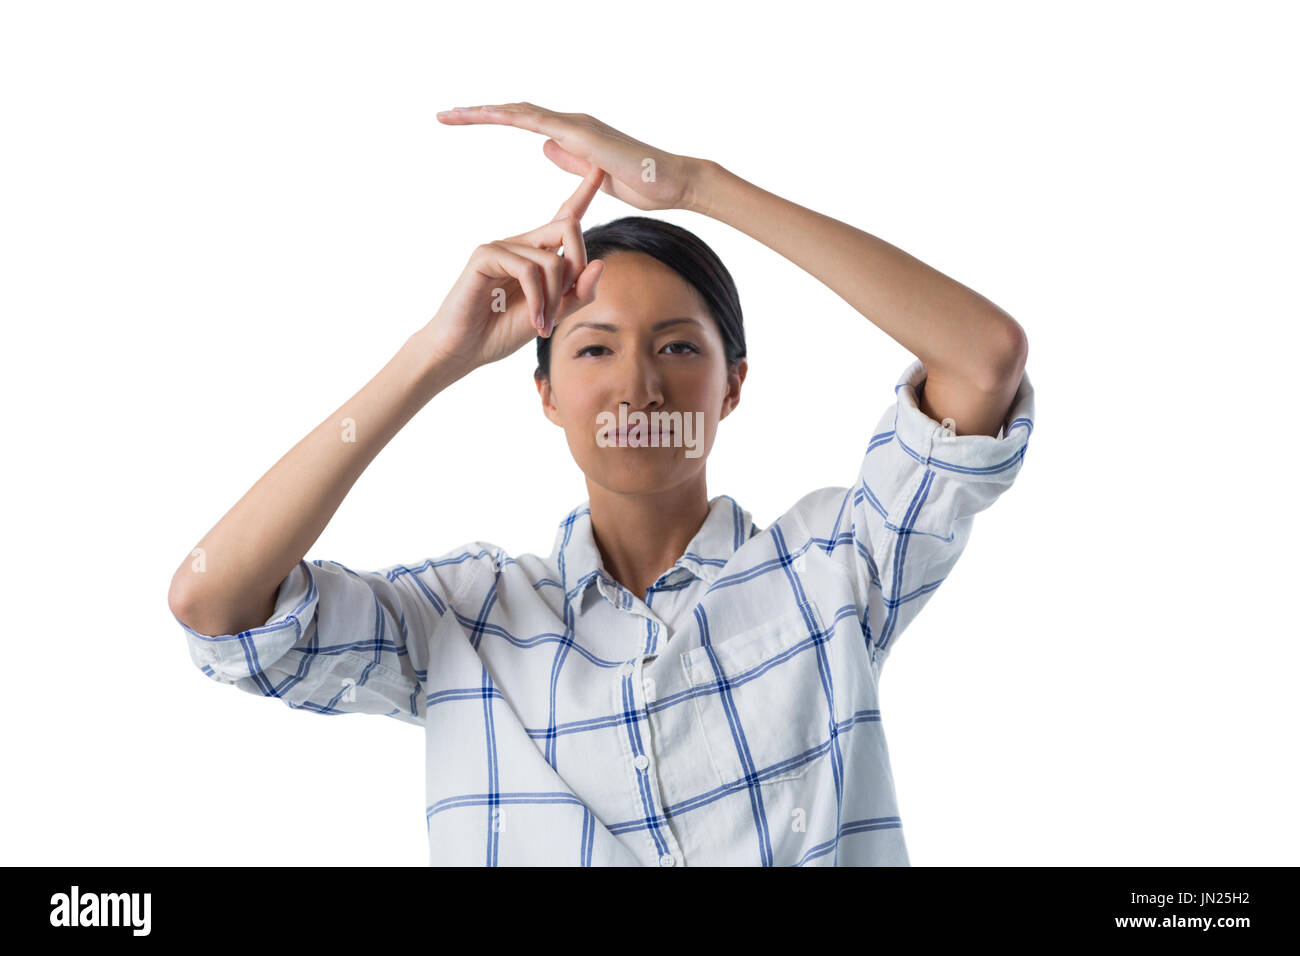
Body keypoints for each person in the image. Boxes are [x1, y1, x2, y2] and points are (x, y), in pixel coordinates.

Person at [168, 102, 1036, 866]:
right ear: (544, 393)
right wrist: (435, 356)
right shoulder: (467, 621)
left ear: (733, 385)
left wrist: (695, 184)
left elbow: (983, 357)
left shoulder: (832, 570)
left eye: (678, 347)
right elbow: (217, 601)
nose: (639, 387)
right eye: (593, 348)